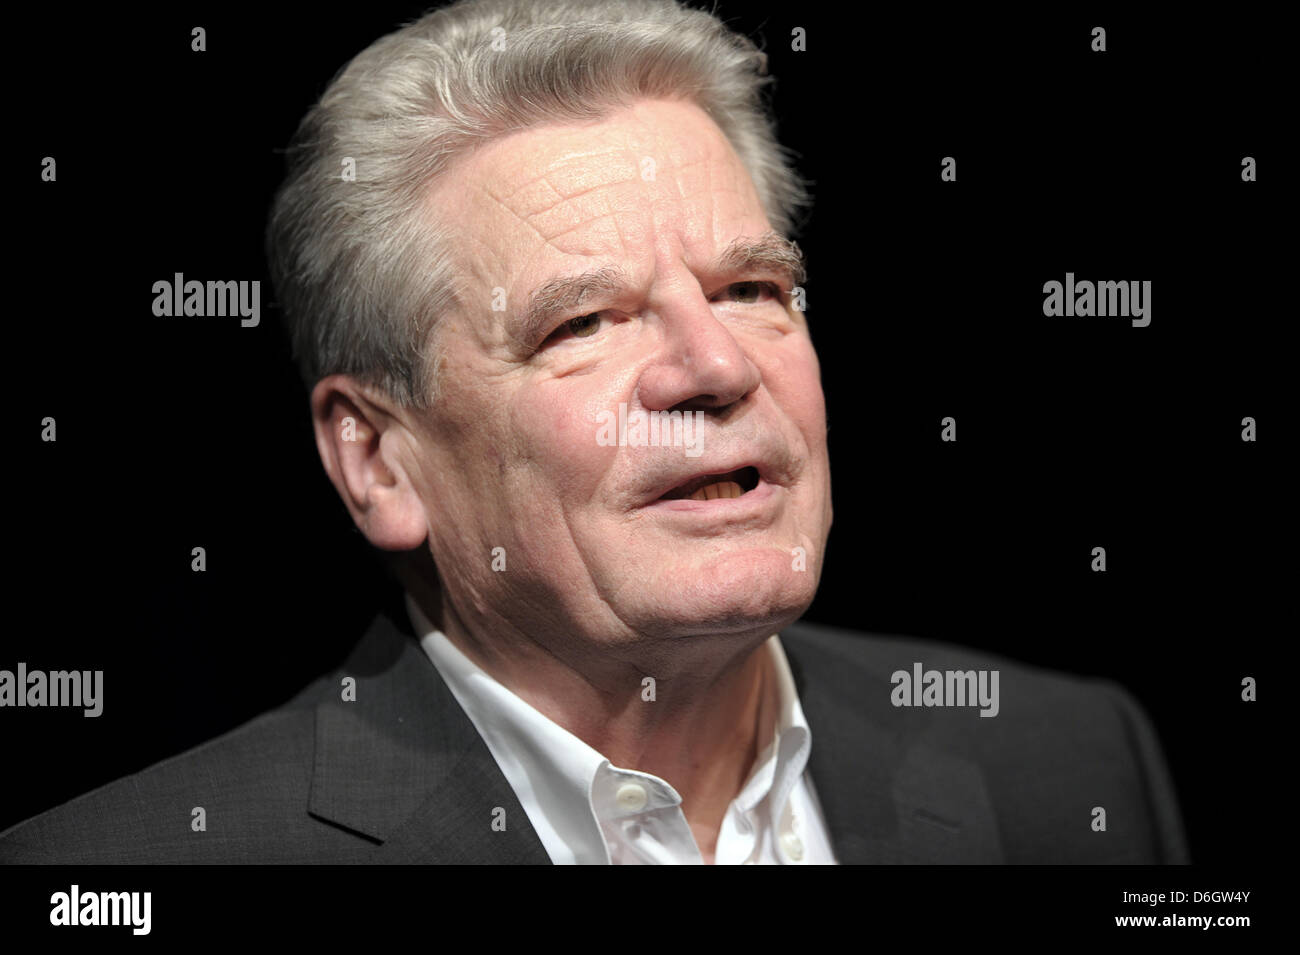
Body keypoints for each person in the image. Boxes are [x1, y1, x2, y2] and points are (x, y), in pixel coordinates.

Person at [0, 0, 1187, 865]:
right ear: (379, 458)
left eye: (751, 289)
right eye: (583, 321)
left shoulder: (1069, 763)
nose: (716, 367)